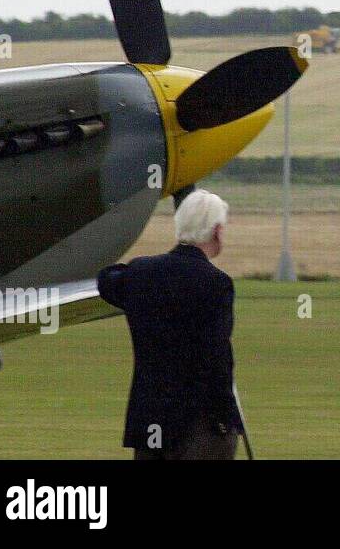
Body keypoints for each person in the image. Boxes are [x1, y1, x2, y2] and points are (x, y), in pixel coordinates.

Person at [98, 189, 242, 460]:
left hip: (151, 419)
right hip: (197, 425)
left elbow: (107, 278)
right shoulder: (217, 283)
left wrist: (142, 273)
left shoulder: (141, 273)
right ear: (217, 231)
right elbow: (217, 357)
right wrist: (227, 416)